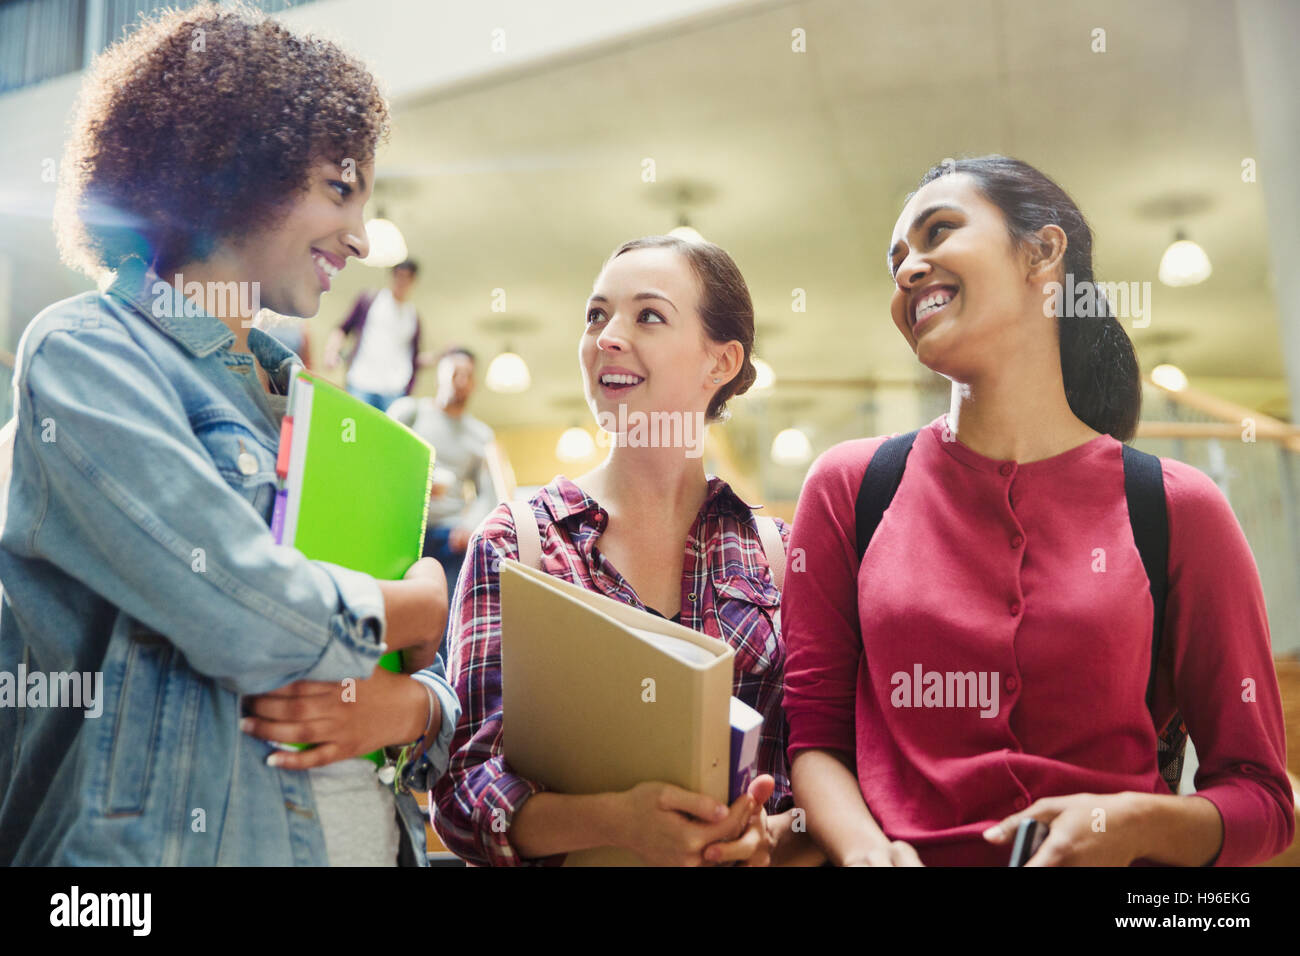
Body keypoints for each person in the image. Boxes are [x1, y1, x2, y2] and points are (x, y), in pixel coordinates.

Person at [0, 3, 459, 866]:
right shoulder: (85, 354)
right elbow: (237, 608)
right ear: (233, 168)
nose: (360, 237)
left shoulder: (323, 417)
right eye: (338, 189)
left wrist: (425, 705)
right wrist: (419, 600)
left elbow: (406, 695)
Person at [783, 155, 1294, 866]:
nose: (908, 270)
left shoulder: (1179, 510)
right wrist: (867, 852)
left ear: (1043, 252)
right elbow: (814, 742)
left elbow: (1263, 799)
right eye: (897, 259)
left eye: (939, 232)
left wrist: (1131, 822)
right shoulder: (850, 487)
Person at [432, 236, 824, 866]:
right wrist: (617, 821)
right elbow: (459, 792)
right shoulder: (516, 543)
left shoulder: (779, 554)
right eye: (595, 315)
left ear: (720, 363)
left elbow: (823, 776)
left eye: (647, 315)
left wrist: (767, 839)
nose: (607, 336)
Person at [388, 347, 497, 671]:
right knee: (399, 607)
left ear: (473, 383)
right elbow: (383, 457)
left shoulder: (481, 435)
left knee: (445, 616)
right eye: (453, 373)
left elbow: (489, 493)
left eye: (466, 375)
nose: (459, 381)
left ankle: (442, 682)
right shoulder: (409, 412)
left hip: (449, 536)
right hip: (404, 528)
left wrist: (471, 523)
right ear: (439, 376)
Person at [325, 259, 429, 411]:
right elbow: (342, 329)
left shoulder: (413, 317)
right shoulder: (370, 301)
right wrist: (331, 352)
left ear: (414, 281)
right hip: (361, 381)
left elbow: (415, 357)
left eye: (407, 278)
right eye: (398, 276)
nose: (402, 282)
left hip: (394, 388)